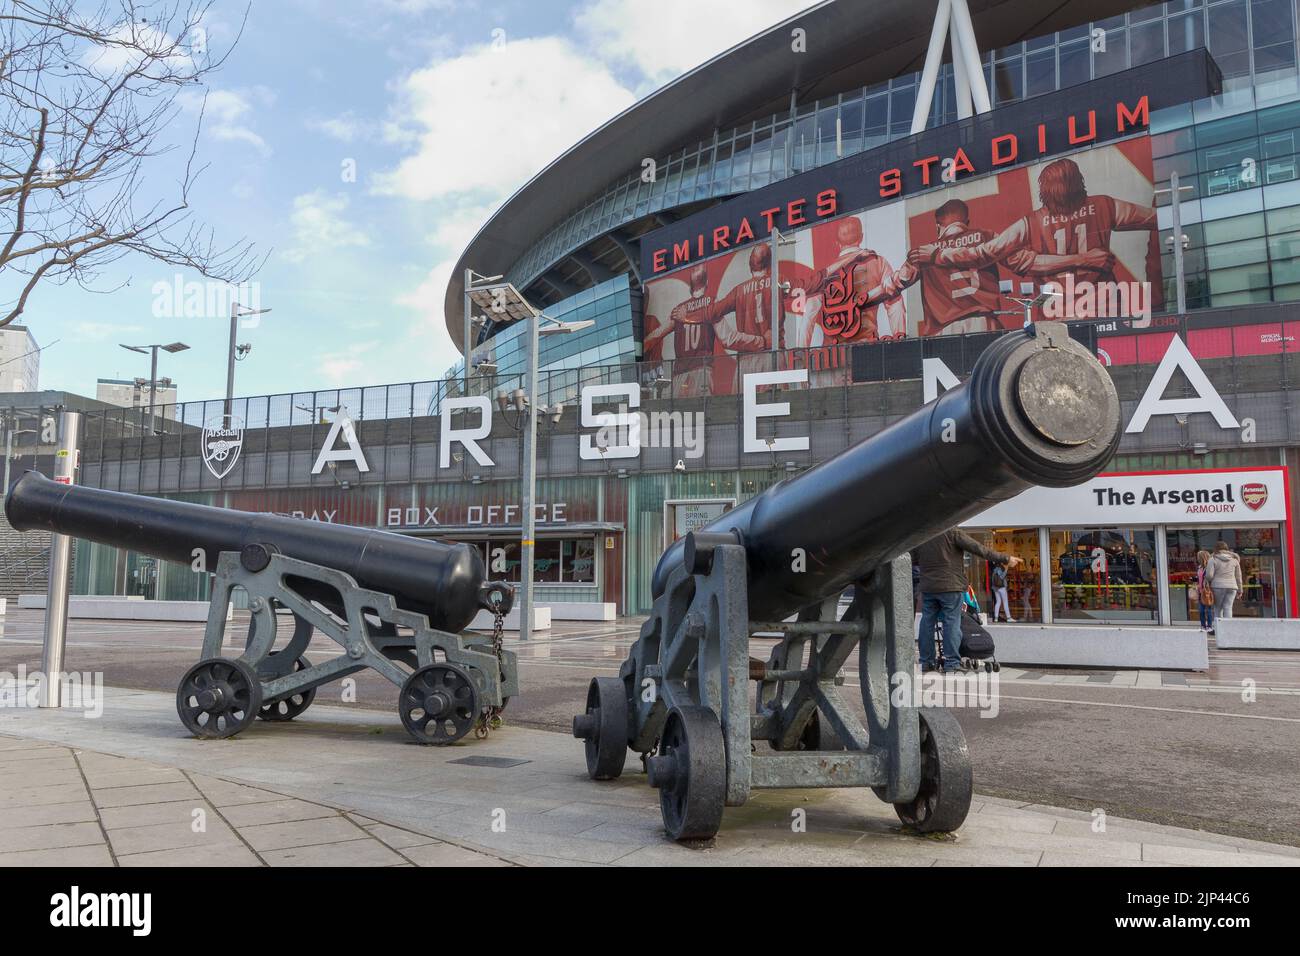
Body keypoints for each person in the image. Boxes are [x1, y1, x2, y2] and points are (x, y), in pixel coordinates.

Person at [913, 529, 1021, 673]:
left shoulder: (922, 534)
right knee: (951, 622)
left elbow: (911, 559)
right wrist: (1005, 559)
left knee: (927, 622)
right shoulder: (952, 532)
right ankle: (952, 662)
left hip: (928, 587)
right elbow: (979, 549)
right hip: (951, 586)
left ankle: (926, 662)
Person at [1206, 539, 1243, 633]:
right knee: (1228, 607)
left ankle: (1218, 630)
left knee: (1218, 608)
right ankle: (1228, 630)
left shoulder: (1213, 559)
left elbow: (1209, 575)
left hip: (1218, 586)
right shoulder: (1235, 560)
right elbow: (1238, 577)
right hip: (1232, 586)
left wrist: (1208, 581)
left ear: (1216, 549)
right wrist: (1240, 589)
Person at [1195, 549, 1214, 633]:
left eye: (1198, 557)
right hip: (1200, 590)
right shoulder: (1199, 567)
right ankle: (1203, 626)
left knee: (1208, 609)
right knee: (1201, 610)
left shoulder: (1208, 568)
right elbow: (1199, 578)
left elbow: (1210, 578)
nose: (1197, 559)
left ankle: (1209, 626)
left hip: (1206, 591)